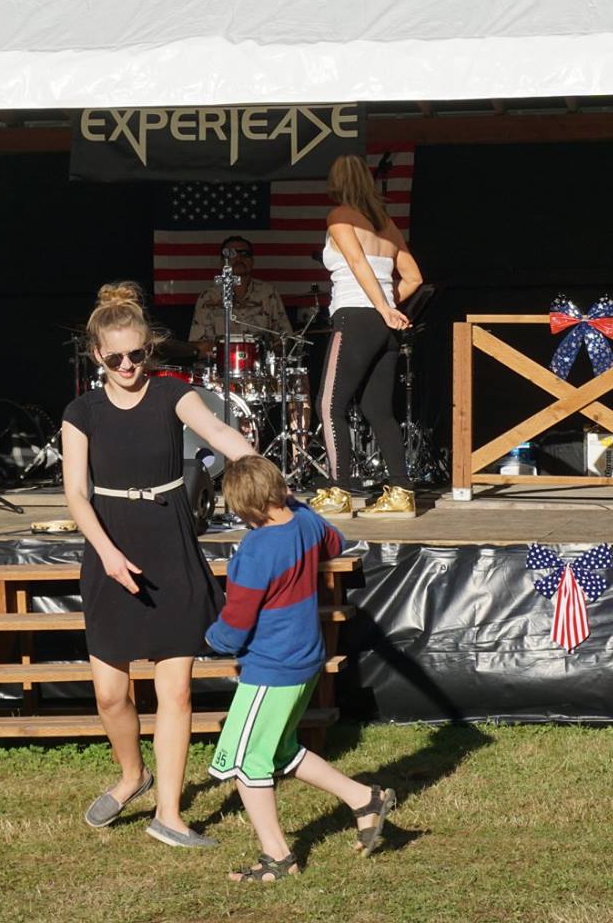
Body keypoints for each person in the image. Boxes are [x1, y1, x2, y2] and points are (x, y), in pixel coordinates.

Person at [60, 282, 257, 848]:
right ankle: (133, 776)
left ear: (150, 349)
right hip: (109, 546)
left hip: (170, 544)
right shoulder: (81, 411)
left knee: (176, 692)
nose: (128, 366)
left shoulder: (173, 392)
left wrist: (261, 469)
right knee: (110, 694)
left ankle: (169, 815)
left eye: (137, 354)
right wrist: (108, 554)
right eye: (116, 358)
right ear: (96, 355)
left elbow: (219, 433)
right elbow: (75, 493)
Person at [206, 456, 396, 883]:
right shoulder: (307, 524)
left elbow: (237, 623)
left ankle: (278, 857)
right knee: (280, 751)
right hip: (305, 659)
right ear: (280, 489)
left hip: (271, 667)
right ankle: (365, 799)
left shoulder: (256, 549)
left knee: (246, 762)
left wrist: (211, 639)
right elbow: (337, 542)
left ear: (241, 507)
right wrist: (298, 505)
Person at [308, 154, 423, 519]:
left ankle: (339, 491)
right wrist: (387, 307)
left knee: (329, 405)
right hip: (381, 323)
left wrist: (382, 307)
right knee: (378, 410)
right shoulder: (386, 224)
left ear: (336, 182)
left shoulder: (340, 216)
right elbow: (414, 277)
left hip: (356, 318)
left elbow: (357, 263)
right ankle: (401, 492)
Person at [189, 235, 294, 355]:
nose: (239, 258)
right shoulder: (209, 296)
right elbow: (197, 346)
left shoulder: (268, 292)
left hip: (260, 363)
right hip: (222, 363)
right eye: (231, 254)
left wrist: (271, 350)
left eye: (245, 254)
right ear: (222, 263)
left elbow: (286, 339)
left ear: (252, 261)